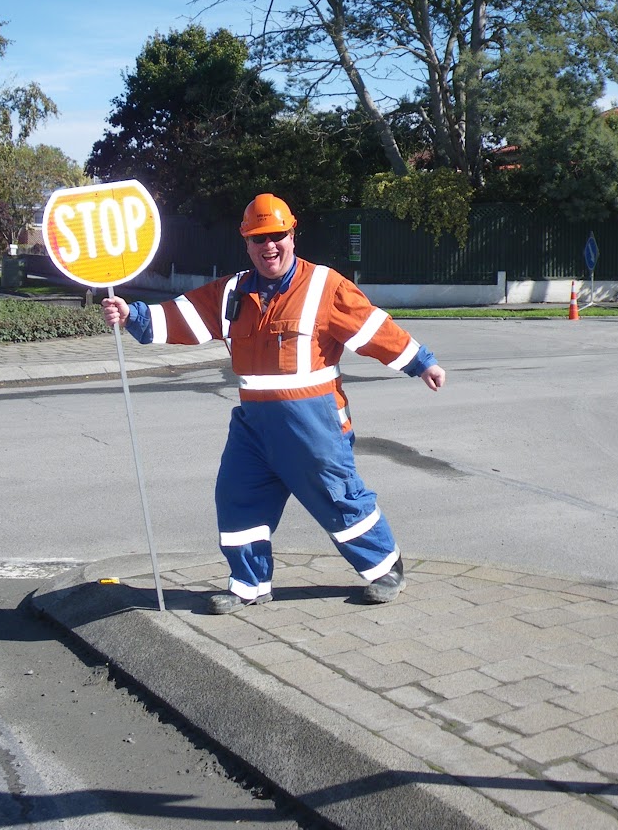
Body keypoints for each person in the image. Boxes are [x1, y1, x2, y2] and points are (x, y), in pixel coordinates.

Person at [101, 193, 446, 615]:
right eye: (258, 238)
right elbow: (183, 317)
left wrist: (420, 363)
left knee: (338, 497)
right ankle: (249, 584)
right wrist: (132, 315)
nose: (270, 246)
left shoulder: (323, 285)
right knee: (237, 497)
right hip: (253, 424)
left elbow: (373, 328)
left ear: (292, 235)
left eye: (277, 236)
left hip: (313, 421)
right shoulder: (231, 291)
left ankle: (384, 567)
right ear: (246, 243)